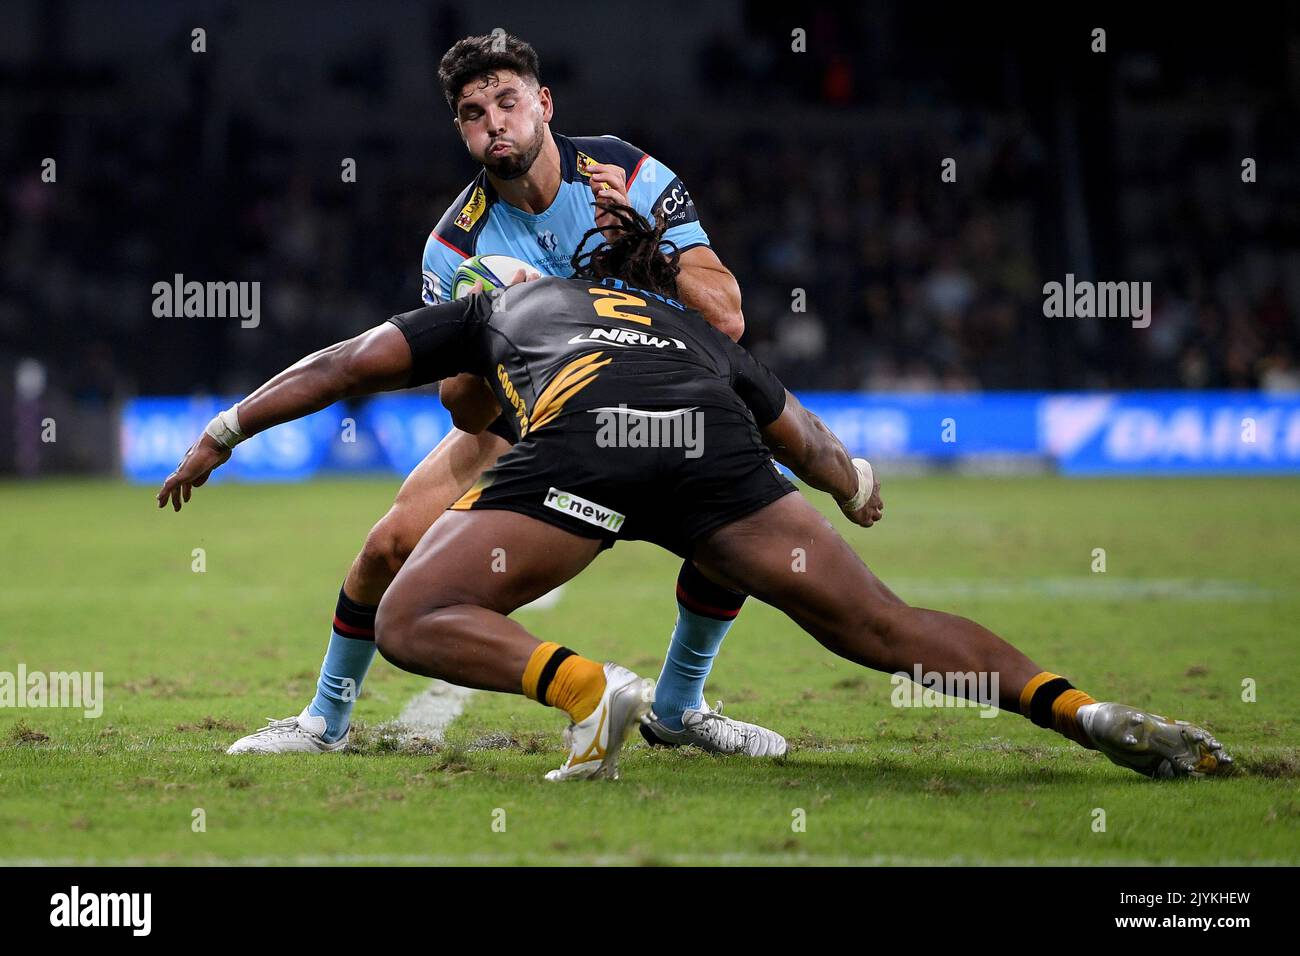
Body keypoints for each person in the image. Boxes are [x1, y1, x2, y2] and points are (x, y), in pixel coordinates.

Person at [161, 205, 1233, 783]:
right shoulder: (683, 323)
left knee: (415, 614)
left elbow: (344, 363)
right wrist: (853, 483)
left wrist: (222, 430)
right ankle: (1078, 709)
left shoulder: (498, 306)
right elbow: (804, 434)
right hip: (713, 453)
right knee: (880, 623)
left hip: (584, 444)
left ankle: (590, 691)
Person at [225, 32, 785, 757]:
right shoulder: (454, 248)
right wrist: (494, 313)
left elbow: (729, 316)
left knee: (738, 536)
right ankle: (324, 721)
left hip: (660, 400)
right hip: (532, 417)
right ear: (459, 130)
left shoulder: (627, 173)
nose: (493, 120)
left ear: (543, 104)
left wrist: (652, 248)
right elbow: (463, 408)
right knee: (387, 548)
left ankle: (678, 707)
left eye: (507, 101)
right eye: (471, 111)